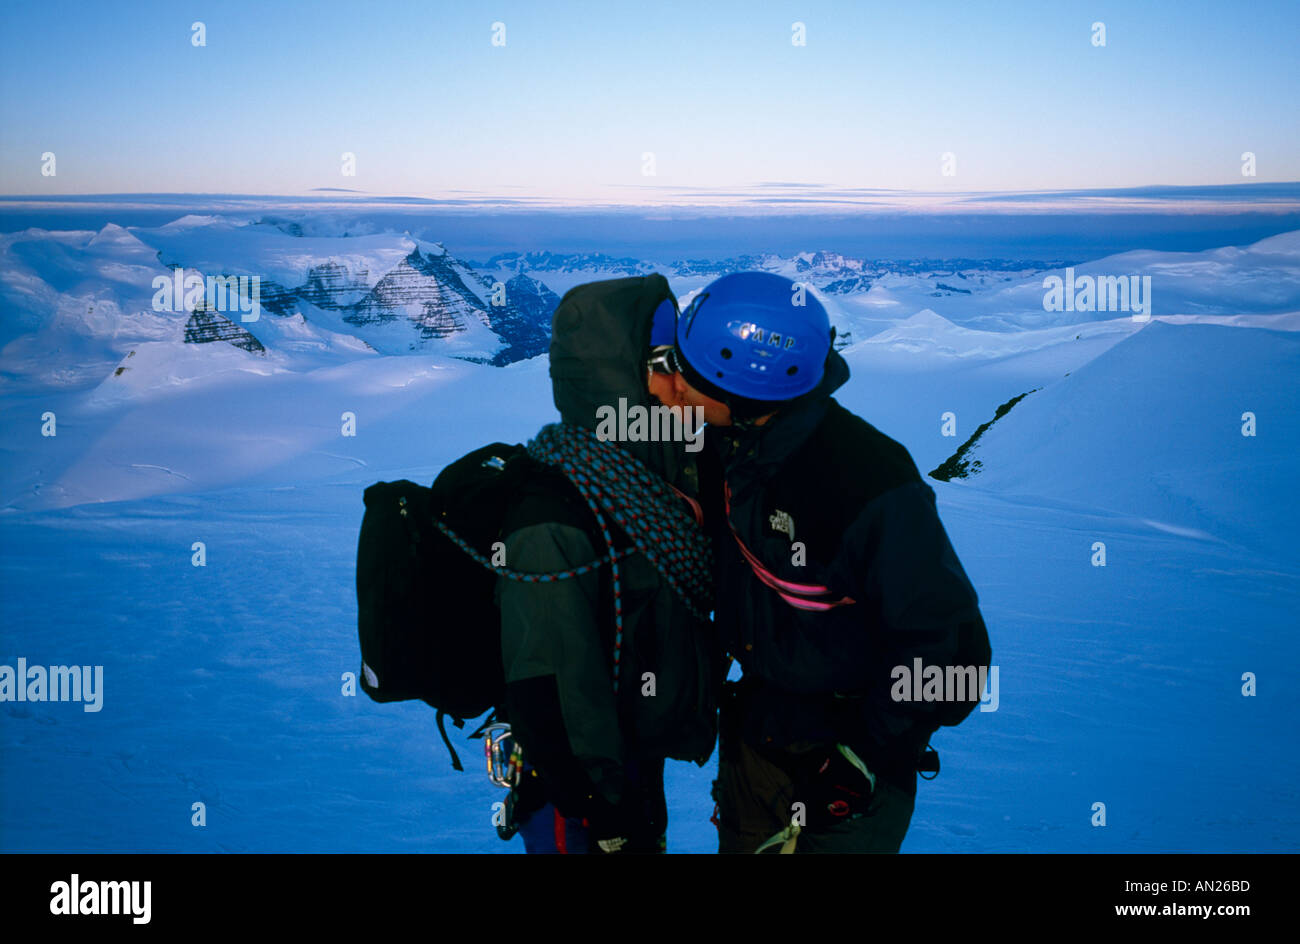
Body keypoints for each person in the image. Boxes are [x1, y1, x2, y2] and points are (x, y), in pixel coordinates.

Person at [658, 271, 990, 854]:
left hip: (846, 760)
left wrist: (860, 758)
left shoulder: (867, 482)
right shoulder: (730, 447)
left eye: (685, 372)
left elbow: (943, 643)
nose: (674, 386)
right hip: (762, 735)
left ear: (740, 389)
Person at [494, 275, 724, 853]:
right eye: (667, 363)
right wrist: (602, 808)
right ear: (617, 378)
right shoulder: (554, 518)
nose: (683, 384)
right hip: (578, 795)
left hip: (632, 764)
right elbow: (553, 683)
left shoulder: (658, 490)